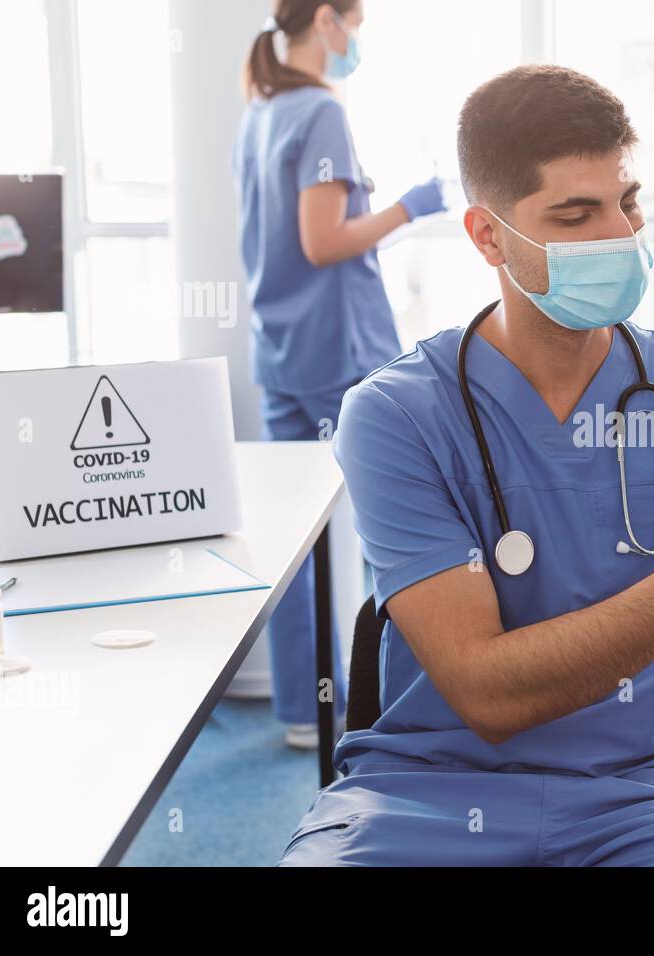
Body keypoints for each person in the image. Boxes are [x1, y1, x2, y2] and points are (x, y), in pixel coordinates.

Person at [280, 66, 654, 867]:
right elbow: (488, 694)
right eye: (575, 214)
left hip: (652, 802)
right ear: (487, 235)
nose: (618, 234)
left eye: (626, 202)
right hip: (420, 799)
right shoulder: (396, 417)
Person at [232, 0, 446, 749]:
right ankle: (416, 702)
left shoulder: (260, 108)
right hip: (337, 351)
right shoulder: (319, 110)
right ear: (326, 19)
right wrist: (408, 208)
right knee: (404, 525)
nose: (355, 39)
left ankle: (306, 708)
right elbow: (324, 243)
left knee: (298, 535)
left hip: (282, 348)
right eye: (354, 23)